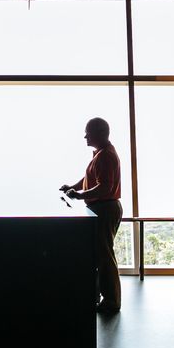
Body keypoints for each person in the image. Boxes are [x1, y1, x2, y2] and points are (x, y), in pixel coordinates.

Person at [60, 117, 123, 313]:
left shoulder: (106, 156)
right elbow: (89, 179)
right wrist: (73, 187)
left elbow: (104, 187)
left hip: (105, 208)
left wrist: (80, 195)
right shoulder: (100, 155)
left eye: (88, 132)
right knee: (99, 255)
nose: (85, 136)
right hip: (102, 208)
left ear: (99, 133)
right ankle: (98, 295)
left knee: (105, 255)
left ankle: (112, 301)